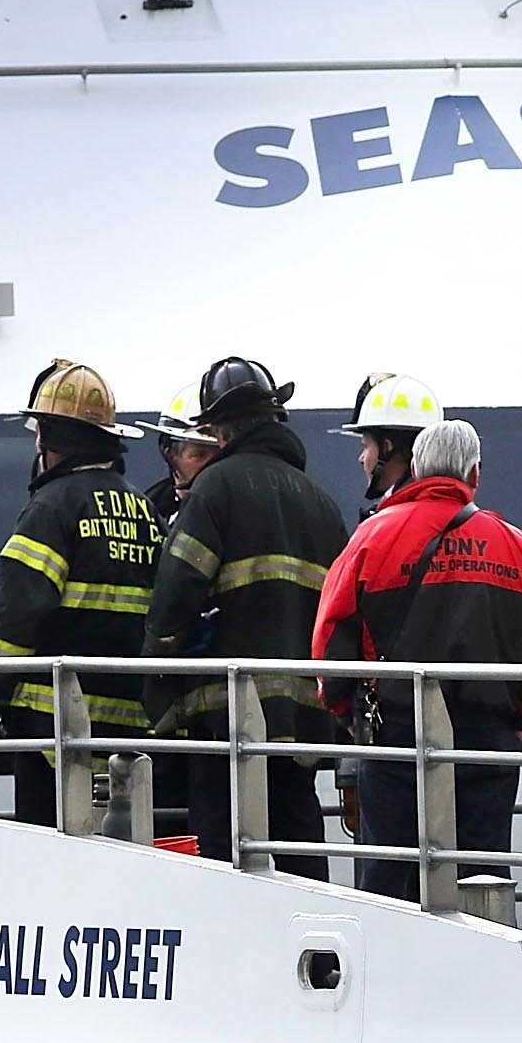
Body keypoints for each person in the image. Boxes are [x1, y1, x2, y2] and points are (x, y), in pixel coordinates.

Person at [310, 419, 522, 904]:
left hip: (394, 737)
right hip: (487, 741)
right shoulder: (516, 546)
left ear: (416, 467)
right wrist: (521, 719)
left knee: (389, 879)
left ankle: (390, 952)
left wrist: (346, 711)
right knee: (481, 878)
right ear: (474, 472)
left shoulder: (371, 538)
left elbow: (331, 638)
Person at [143, 357, 349, 872]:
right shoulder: (321, 502)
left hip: (226, 722)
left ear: (220, 429)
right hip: (302, 719)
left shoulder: (215, 488)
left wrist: (157, 687)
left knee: (224, 858)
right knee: (301, 848)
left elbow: (174, 598)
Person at [0, 360, 161, 827]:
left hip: (50, 722)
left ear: (51, 441)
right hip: (126, 724)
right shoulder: (145, 509)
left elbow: (20, 608)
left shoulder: (51, 507)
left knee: (46, 851)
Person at [335, 371, 441, 517]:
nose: (361, 458)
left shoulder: (393, 521)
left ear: (386, 447)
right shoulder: (449, 509)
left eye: (365, 446)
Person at [142, 387, 222, 523]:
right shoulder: (148, 511)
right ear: (170, 455)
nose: (211, 466)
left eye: (221, 456)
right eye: (199, 455)